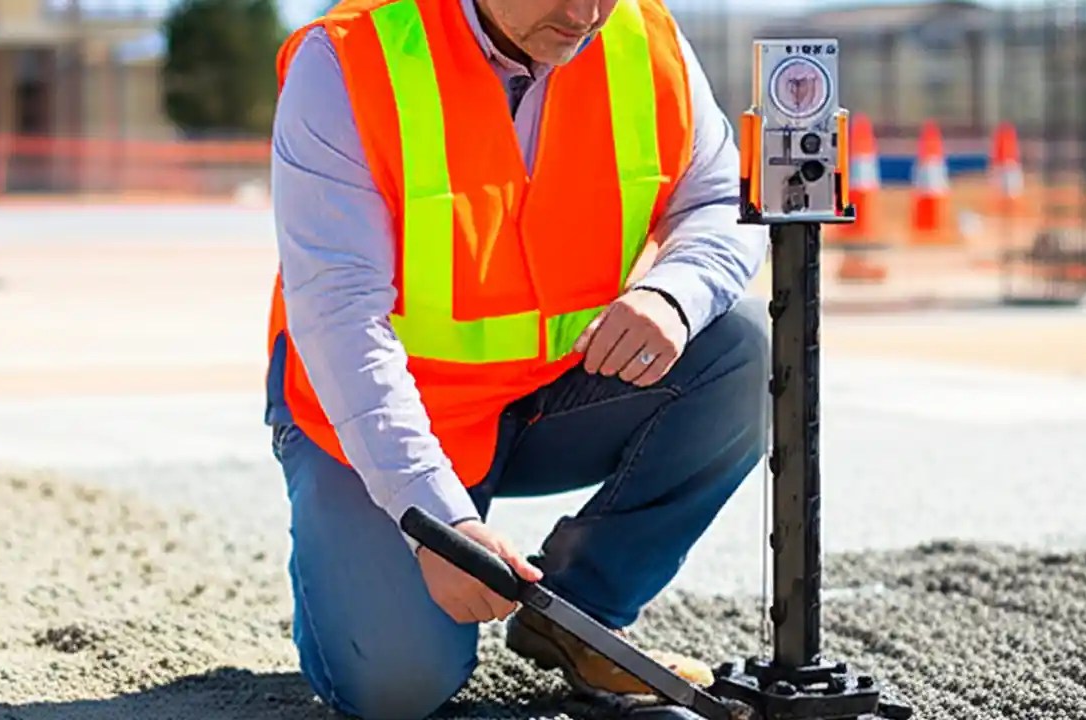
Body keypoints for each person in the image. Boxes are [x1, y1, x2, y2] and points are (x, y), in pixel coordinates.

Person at [265, 0, 769, 716]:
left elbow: (723, 196)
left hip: (549, 396)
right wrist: (435, 523)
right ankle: (348, 566)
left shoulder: (643, 35)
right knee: (395, 688)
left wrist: (675, 295)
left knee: (741, 353)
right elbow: (341, 321)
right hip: (374, 418)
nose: (586, 13)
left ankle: (580, 614)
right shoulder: (345, 61)